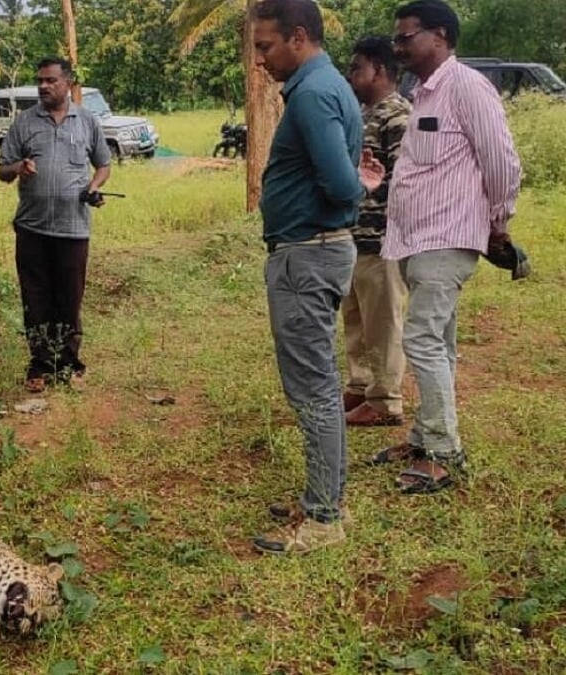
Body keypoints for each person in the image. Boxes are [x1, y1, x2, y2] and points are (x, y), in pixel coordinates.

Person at [247, 0, 384, 555]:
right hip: (313, 250)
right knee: (319, 384)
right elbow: (340, 175)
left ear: (298, 37)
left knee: (313, 388)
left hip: (307, 254)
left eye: (265, 46)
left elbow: (341, 185)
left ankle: (325, 517)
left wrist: (355, 183)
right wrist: (353, 178)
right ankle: (325, 497)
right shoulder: (326, 87)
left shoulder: (312, 94)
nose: (260, 60)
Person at [374, 0, 521, 493]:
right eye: (395, 39)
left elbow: (501, 161)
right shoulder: (422, 94)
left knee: (421, 340)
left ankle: (443, 452)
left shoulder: (467, 87)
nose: (398, 47)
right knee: (438, 342)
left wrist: (498, 222)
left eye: (405, 38)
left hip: (447, 236)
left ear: (439, 36)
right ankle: (425, 436)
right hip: (416, 238)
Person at [0, 57, 111, 393]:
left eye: (51, 80)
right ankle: (40, 364)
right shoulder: (24, 123)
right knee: (35, 299)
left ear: (68, 83)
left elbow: (103, 165)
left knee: (69, 298)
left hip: (73, 229)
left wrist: (94, 187)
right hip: (32, 228)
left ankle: (69, 363)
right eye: (40, 81)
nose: (44, 86)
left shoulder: (87, 121)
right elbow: (3, 170)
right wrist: (19, 167)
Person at [342, 37, 411, 427]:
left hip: (383, 239)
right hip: (356, 236)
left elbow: (406, 178)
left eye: (357, 68)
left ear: (380, 70)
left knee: (382, 322)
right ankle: (361, 384)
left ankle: (385, 400)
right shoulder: (365, 113)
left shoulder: (397, 115)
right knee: (357, 317)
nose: (351, 75)